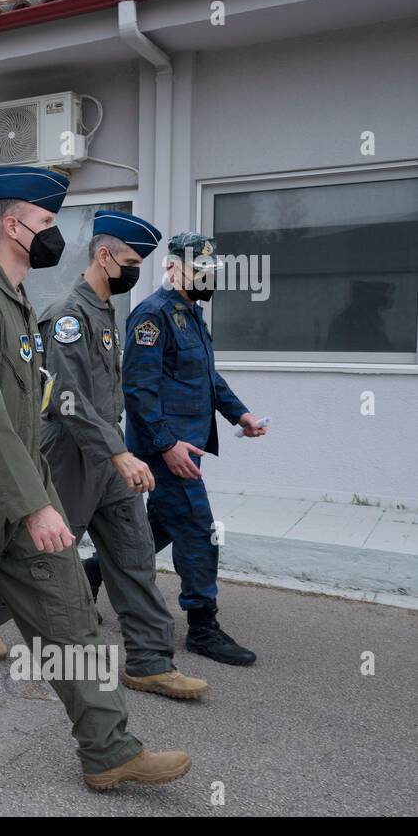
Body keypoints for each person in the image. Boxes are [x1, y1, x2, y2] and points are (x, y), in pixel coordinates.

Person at [0, 165, 190, 791]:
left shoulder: (22, 305)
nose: (57, 236)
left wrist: (40, 497)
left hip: (34, 491)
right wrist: (35, 504)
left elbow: (36, 407)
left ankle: (109, 751)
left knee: (69, 616)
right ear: (13, 224)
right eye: (49, 223)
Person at [0, 211, 208, 700]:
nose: (136, 270)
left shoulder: (106, 312)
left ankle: (149, 662)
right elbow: (66, 399)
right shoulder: (66, 315)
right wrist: (120, 453)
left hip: (110, 462)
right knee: (42, 562)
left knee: (134, 557)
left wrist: (120, 454)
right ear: (104, 257)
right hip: (70, 459)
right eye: (130, 260)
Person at [87, 232, 267, 666]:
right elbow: (138, 388)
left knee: (160, 528)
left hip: (188, 445)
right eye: (200, 271)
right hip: (165, 449)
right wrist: (166, 446)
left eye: (211, 272)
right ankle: (203, 626)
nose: (208, 278)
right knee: (199, 531)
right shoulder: (153, 315)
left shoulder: (191, 314)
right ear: (173, 269)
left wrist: (239, 415)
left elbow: (208, 377)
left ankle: (88, 574)